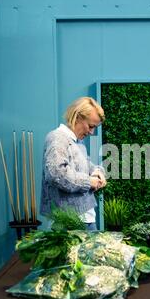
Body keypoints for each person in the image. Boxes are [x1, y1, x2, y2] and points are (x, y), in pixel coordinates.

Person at [40, 96, 106, 230]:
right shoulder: (57, 138)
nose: (91, 132)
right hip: (68, 221)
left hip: (85, 217)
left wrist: (98, 172)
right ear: (78, 117)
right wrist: (89, 182)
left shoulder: (78, 142)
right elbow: (57, 174)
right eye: (91, 126)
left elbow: (88, 165)